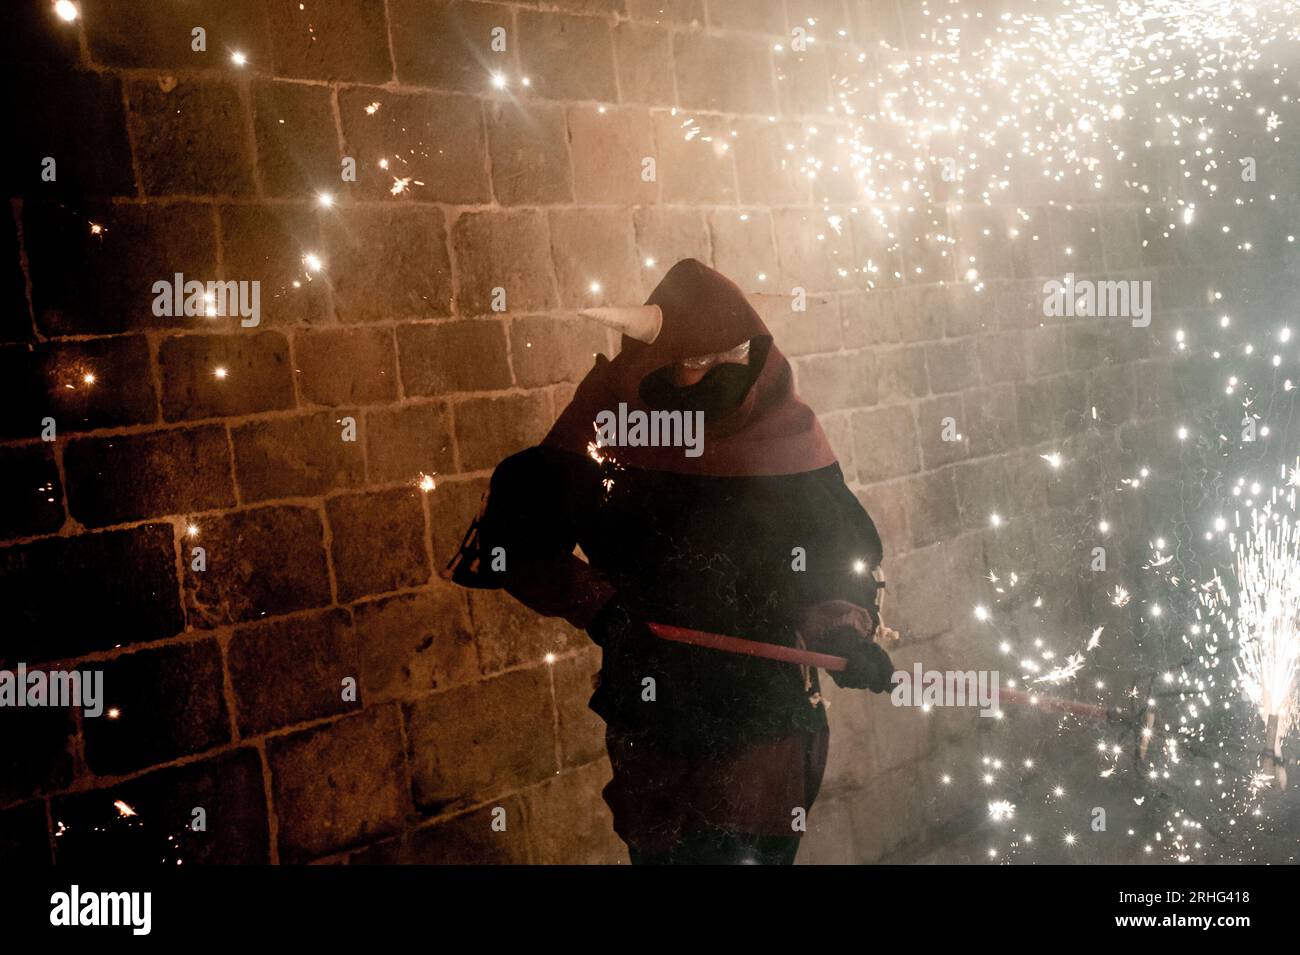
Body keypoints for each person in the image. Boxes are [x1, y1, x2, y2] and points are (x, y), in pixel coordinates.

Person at [447, 258, 895, 864]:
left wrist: (844, 632)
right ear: (657, 362)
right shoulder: (610, 424)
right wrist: (604, 612)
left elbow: (828, 553)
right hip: (653, 700)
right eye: (694, 362)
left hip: (765, 708)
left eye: (730, 357)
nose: (713, 375)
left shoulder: (783, 428)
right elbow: (521, 543)